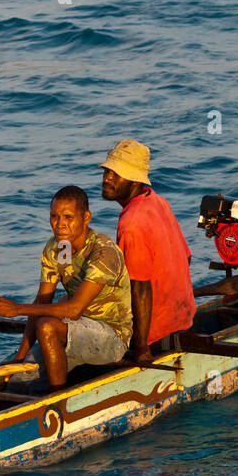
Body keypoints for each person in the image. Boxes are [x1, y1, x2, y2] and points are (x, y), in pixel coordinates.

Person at [0, 185, 132, 392]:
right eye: (54, 217)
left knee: (47, 326)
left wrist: (17, 309)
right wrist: (19, 358)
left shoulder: (103, 251)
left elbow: (74, 310)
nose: (60, 225)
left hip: (113, 336)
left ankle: (59, 401)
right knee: (17, 385)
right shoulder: (58, 248)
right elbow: (43, 300)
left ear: (86, 217)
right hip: (75, 328)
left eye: (68, 217)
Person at [100, 140, 196, 364]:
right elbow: (186, 257)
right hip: (183, 319)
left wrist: (141, 346)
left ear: (134, 180)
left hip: (154, 333)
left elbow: (139, 287)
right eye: (106, 171)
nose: (107, 179)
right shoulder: (158, 201)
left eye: (116, 174)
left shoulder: (131, 223)